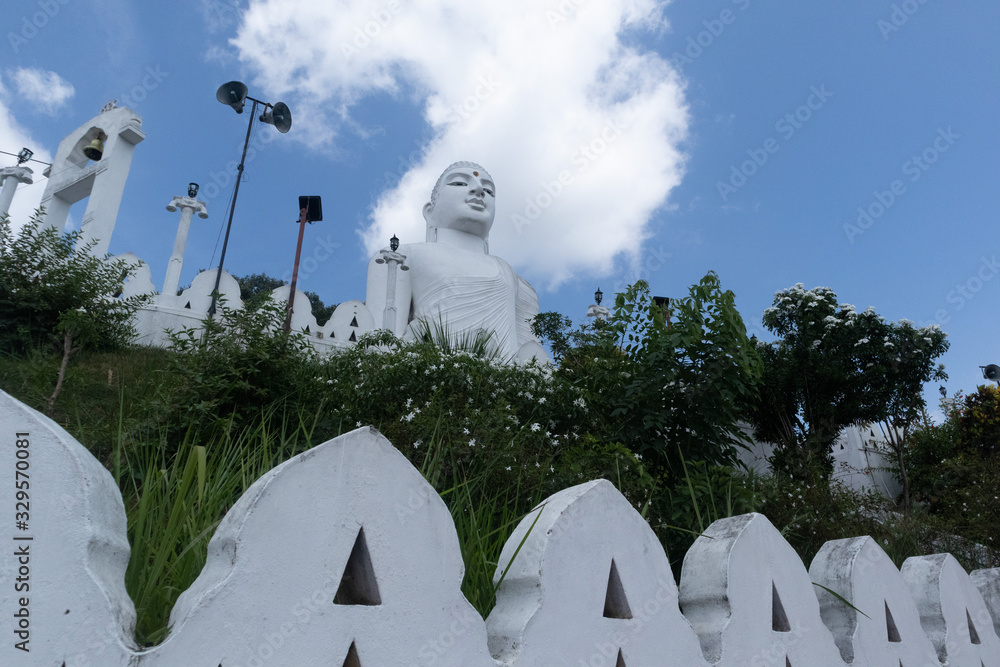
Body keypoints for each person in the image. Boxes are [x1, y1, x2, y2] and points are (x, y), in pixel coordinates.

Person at [365, 161, 548, 363]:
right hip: (430, 372)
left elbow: (531, 354)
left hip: (507, 378)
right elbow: (382, 338)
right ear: (430, 211)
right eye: (460, 183)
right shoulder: (399, 256)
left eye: (489, 191)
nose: (479, 190)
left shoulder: (511, 276)